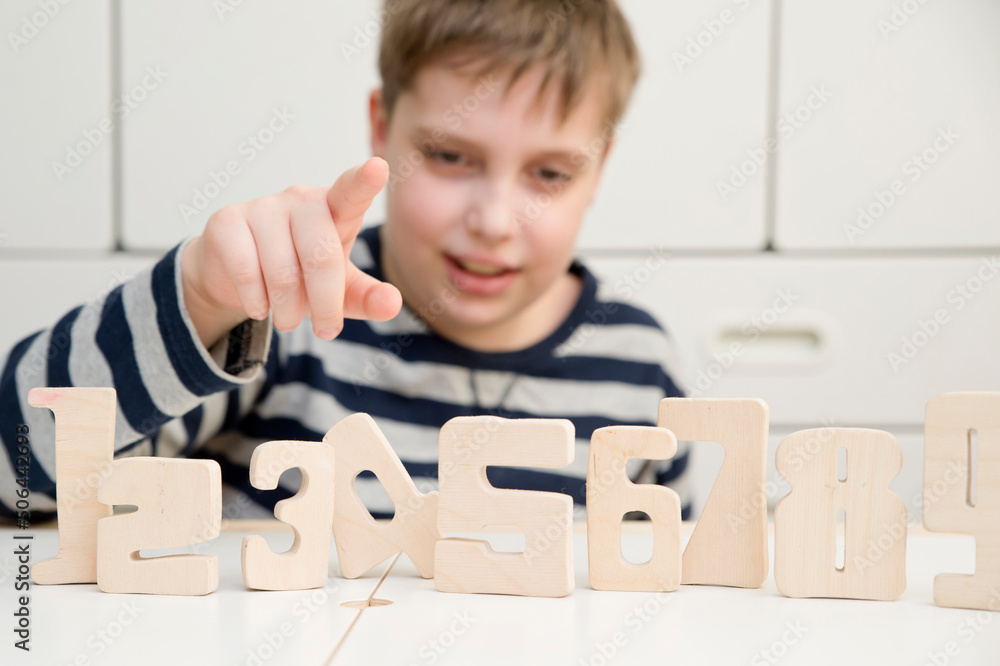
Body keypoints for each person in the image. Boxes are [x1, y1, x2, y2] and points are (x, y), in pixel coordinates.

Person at [0, 0, 690, 522]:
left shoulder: (641, 372)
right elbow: (15, 480)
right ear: (383, 127)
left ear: (600, 169)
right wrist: (199, 304)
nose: (493, 221)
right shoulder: (282, 317)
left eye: (550, 174)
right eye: (450, 157)